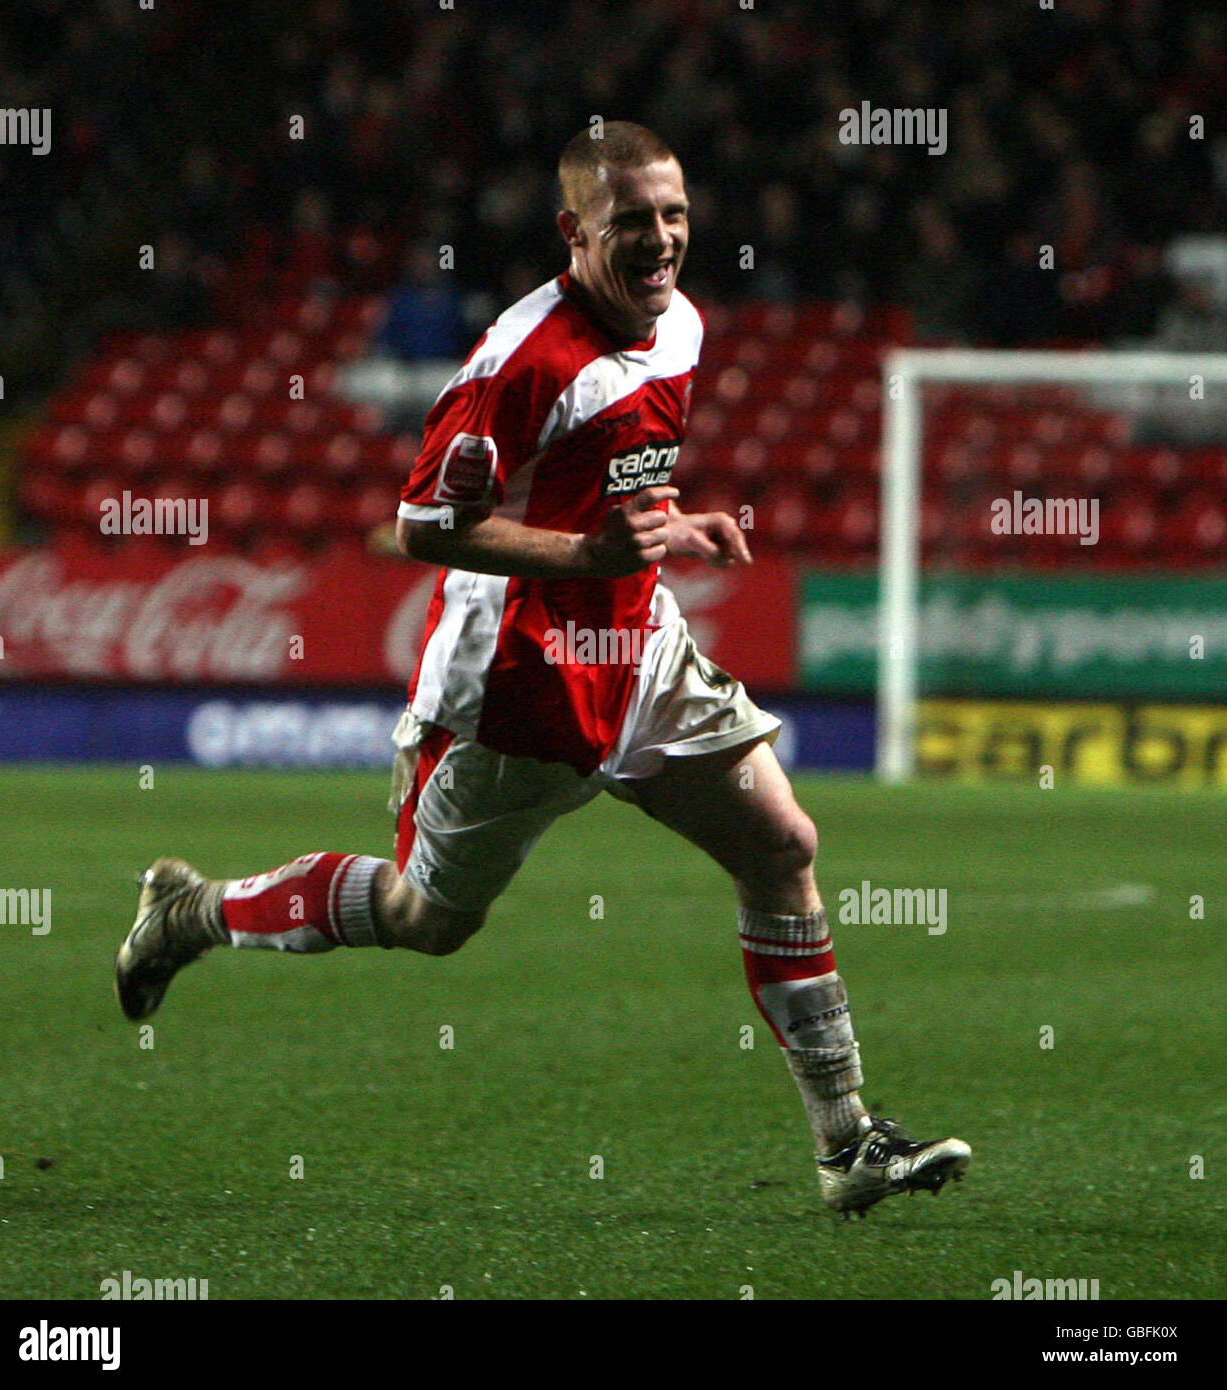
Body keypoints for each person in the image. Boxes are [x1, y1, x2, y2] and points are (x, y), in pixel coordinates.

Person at [115, 121, 970, 1217]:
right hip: (515, 678)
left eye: (674, 216)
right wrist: (583, 554)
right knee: (428, 918)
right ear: (573, 232)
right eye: (632, 224)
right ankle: (193, 914)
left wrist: (674, 525)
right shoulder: (524, 359)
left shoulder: (680, 323)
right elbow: (424, 522)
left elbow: (610, 481)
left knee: (783, 841)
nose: (661, 241)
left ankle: (846, 1142)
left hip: (634, 641)